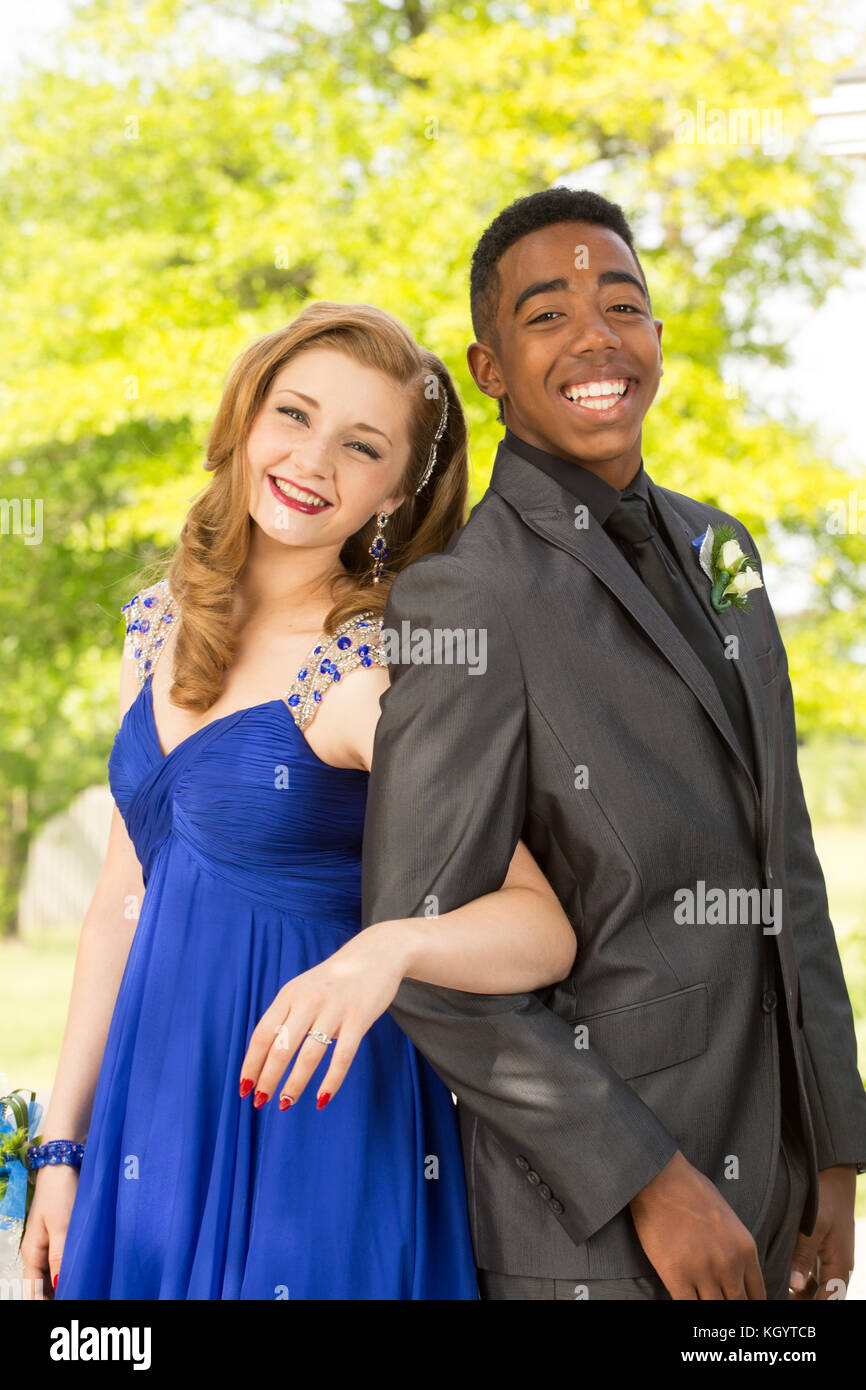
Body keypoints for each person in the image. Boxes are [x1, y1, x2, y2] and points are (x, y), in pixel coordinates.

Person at [361, 188, 866, 1301]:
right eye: (546, 315)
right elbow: (422, 952)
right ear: (486, 367)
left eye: (621, 303)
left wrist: (831, 1143)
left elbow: (785, 855)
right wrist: (650, 1182)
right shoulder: (464, 595)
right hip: (595, 1229)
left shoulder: (720, 544)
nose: (595, 336)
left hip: (775, 1178)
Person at [22, 301, 577, 1301]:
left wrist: (387, 949)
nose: (311, 462)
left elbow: (540, 928)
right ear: (244, 418)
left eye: (359, 445)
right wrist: (62, 1150)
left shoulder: (366, 676)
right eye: (293, 414)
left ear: (396, 490)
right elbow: (120, 896)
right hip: (151, 1121)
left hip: (309, 1131)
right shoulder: (157, 625)